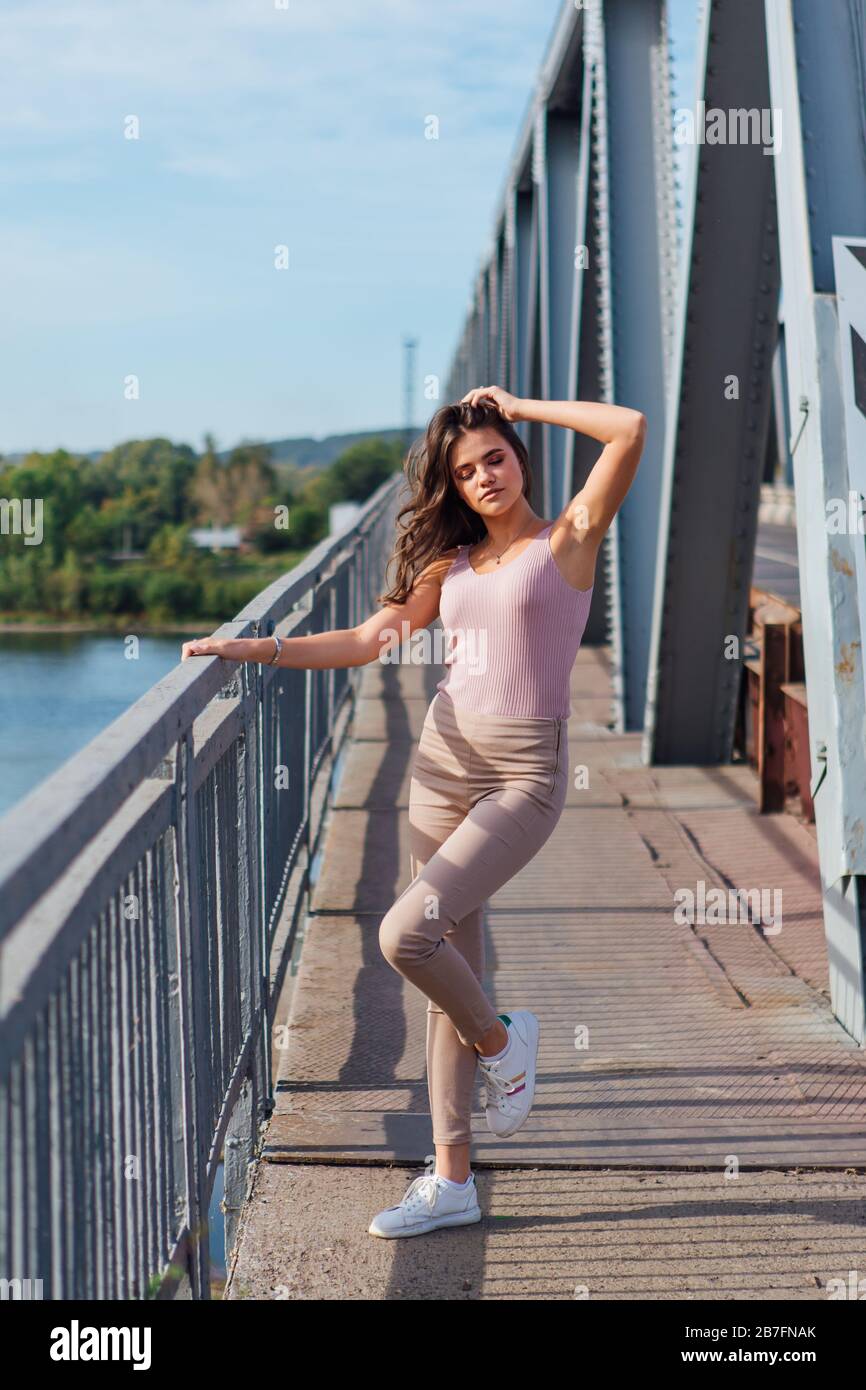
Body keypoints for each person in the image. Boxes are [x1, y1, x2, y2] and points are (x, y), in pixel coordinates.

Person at [182, 386, 646, 1239]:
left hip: (522, 777)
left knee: (407, 936)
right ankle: (452, 1179)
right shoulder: (452, 568)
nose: (482, 479)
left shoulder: (568, 540)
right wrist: (258, 647)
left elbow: (630, 429)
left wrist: (520, 403)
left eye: (495, 458)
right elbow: (367, 641)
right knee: (441, 971)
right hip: (438, 766)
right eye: (465, 472)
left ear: (519, 455)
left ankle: (506, 1045)